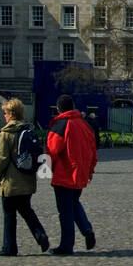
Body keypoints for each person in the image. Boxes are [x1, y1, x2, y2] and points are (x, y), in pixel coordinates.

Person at [0, 98, 50, 256]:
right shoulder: (28, 130)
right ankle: (40, 235)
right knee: (26, 210)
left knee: (9, 214)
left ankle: (9, 247)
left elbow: (2, 158)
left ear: (11, 114)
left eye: (5, 113)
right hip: (27, 178)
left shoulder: (6, 133)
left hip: (11, 181)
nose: (4, 116)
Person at [47, 95, 97, 255]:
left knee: (65, 211)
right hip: (80, 173)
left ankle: (66, 245)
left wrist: (47, 170)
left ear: (58, 109)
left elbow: (52, 150)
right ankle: (87, 230)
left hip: (64, 174)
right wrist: (89, 170)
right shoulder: (85, 125)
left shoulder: (61, 125)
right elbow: (93, 150)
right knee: (74, 204)